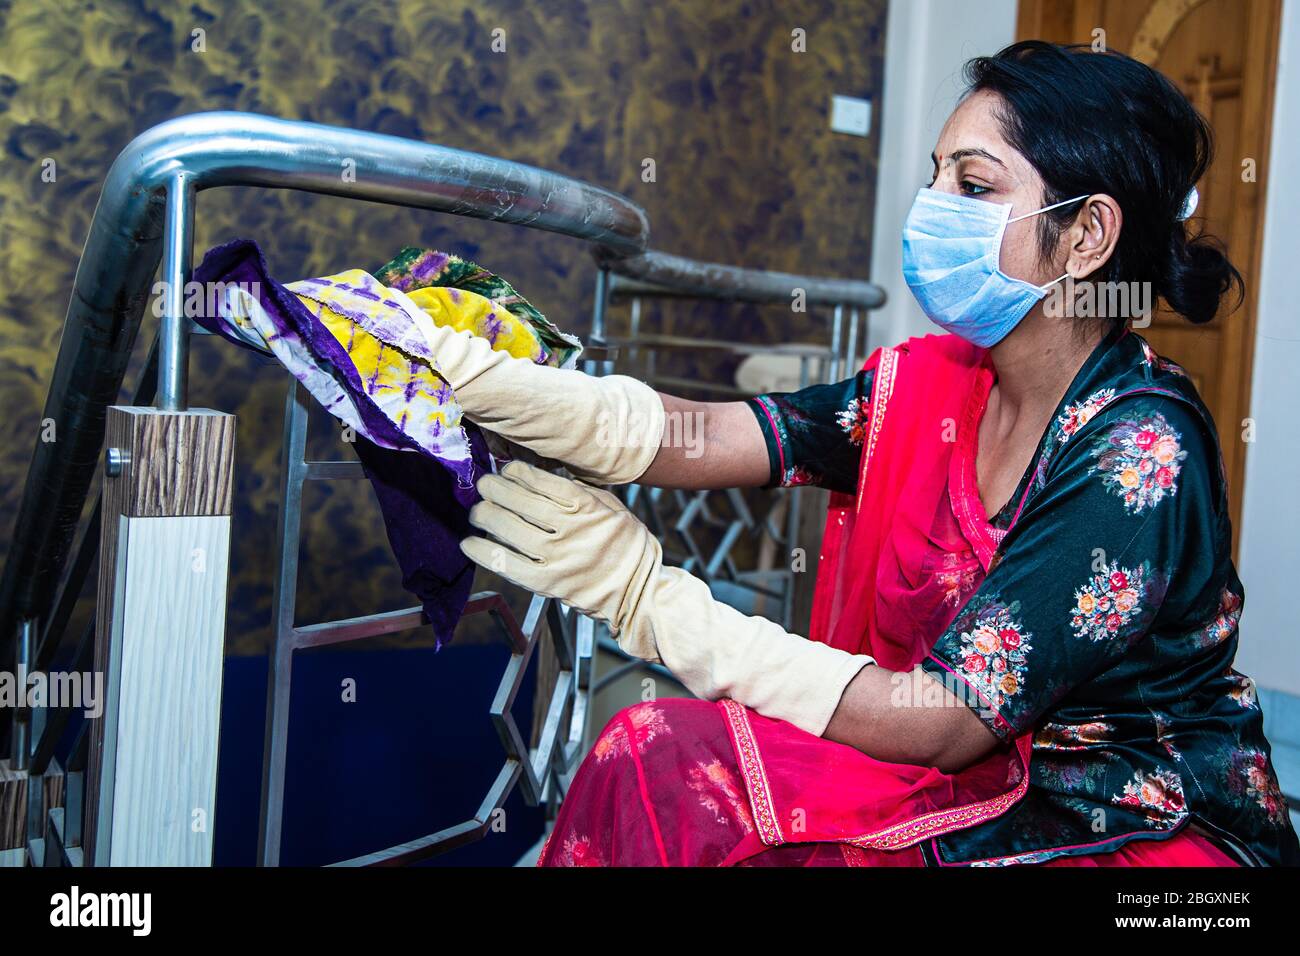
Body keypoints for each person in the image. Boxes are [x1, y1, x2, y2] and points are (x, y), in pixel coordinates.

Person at [425, 41, 1299, 866]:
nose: (932, 208)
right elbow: (744, 434)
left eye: (973, 184)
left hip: (1124, 826)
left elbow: (945, 719)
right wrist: (533, 398)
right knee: (653, 755)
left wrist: (649, 601)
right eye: (936, 176)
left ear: (1085, 237)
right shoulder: (937, 386)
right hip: (964, 781)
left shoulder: (1139, 448)